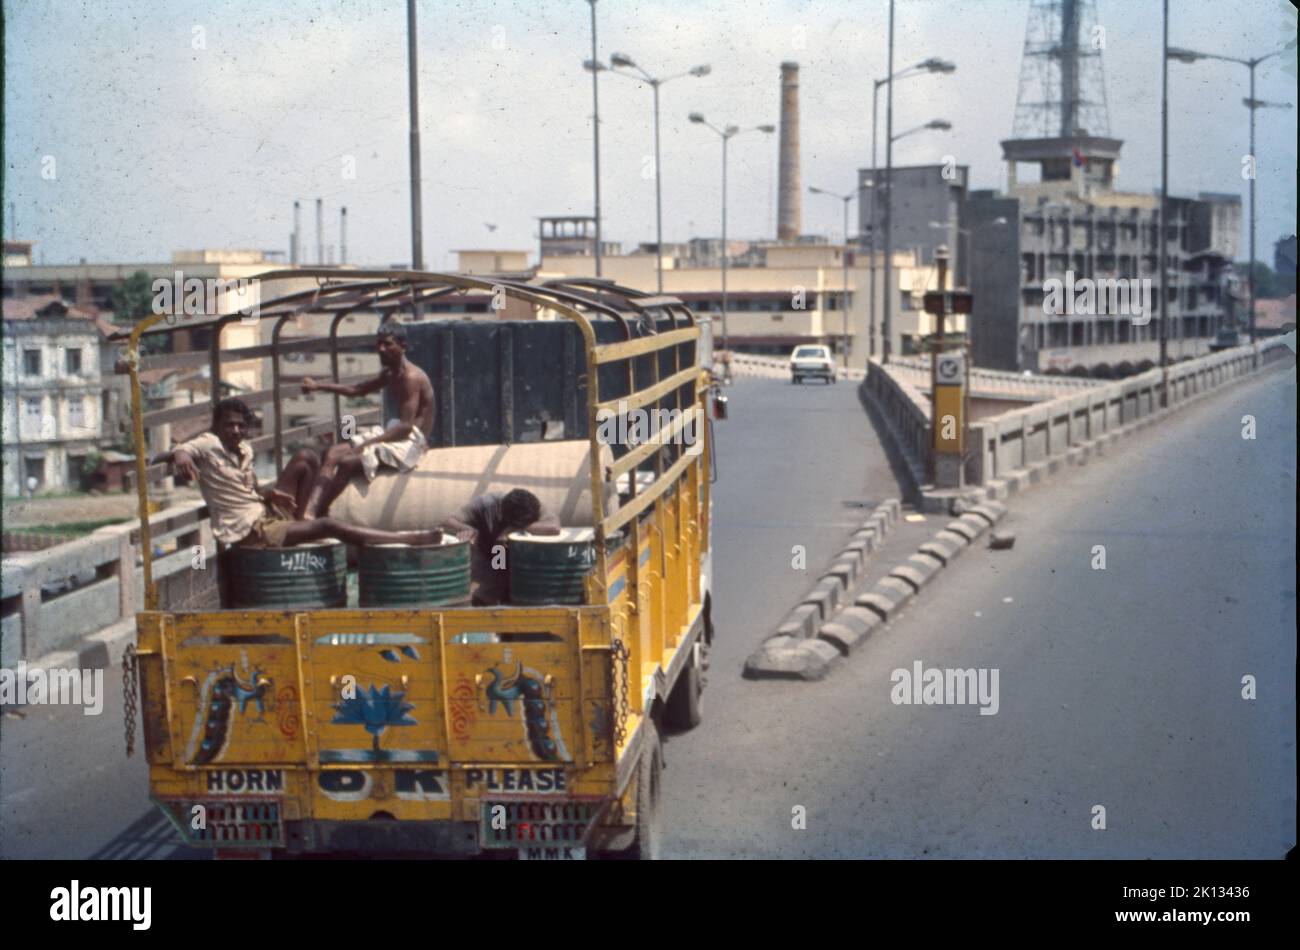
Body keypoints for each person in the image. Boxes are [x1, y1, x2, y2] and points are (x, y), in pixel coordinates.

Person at [158, 397, 441, 549]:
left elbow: (249, 489)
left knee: (306, 457)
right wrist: (180, 453)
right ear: (217, 426)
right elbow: (178, 450)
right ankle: (409, 539)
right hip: (250, 530)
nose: (234, 430)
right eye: (228, 425)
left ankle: (305, 518)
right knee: (328, 527)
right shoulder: (209, 444)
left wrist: (269, 493)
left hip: (263, 510)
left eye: (240, 426)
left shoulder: (245, 449)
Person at [301, 321, 434, 517]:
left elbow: (406, 428)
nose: (381, 349)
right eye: (379, 344)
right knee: (332, 453)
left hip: (411, 442)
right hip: (397, 431)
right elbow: (357, 390)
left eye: (388, 344)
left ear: (402, 347)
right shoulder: (391, 373)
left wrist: (365, 445)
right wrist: (318, 386)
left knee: (347, 462)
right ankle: (309, 510)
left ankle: (321, 512)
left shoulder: (411, 377)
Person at [441, 489, 560, 605]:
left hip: (526, 562)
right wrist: (467, 529)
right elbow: (447, 521)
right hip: (490, 555)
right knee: (482, 593)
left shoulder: (532, 506)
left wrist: (515, 529)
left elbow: (554, 527)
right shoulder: (486, 503)